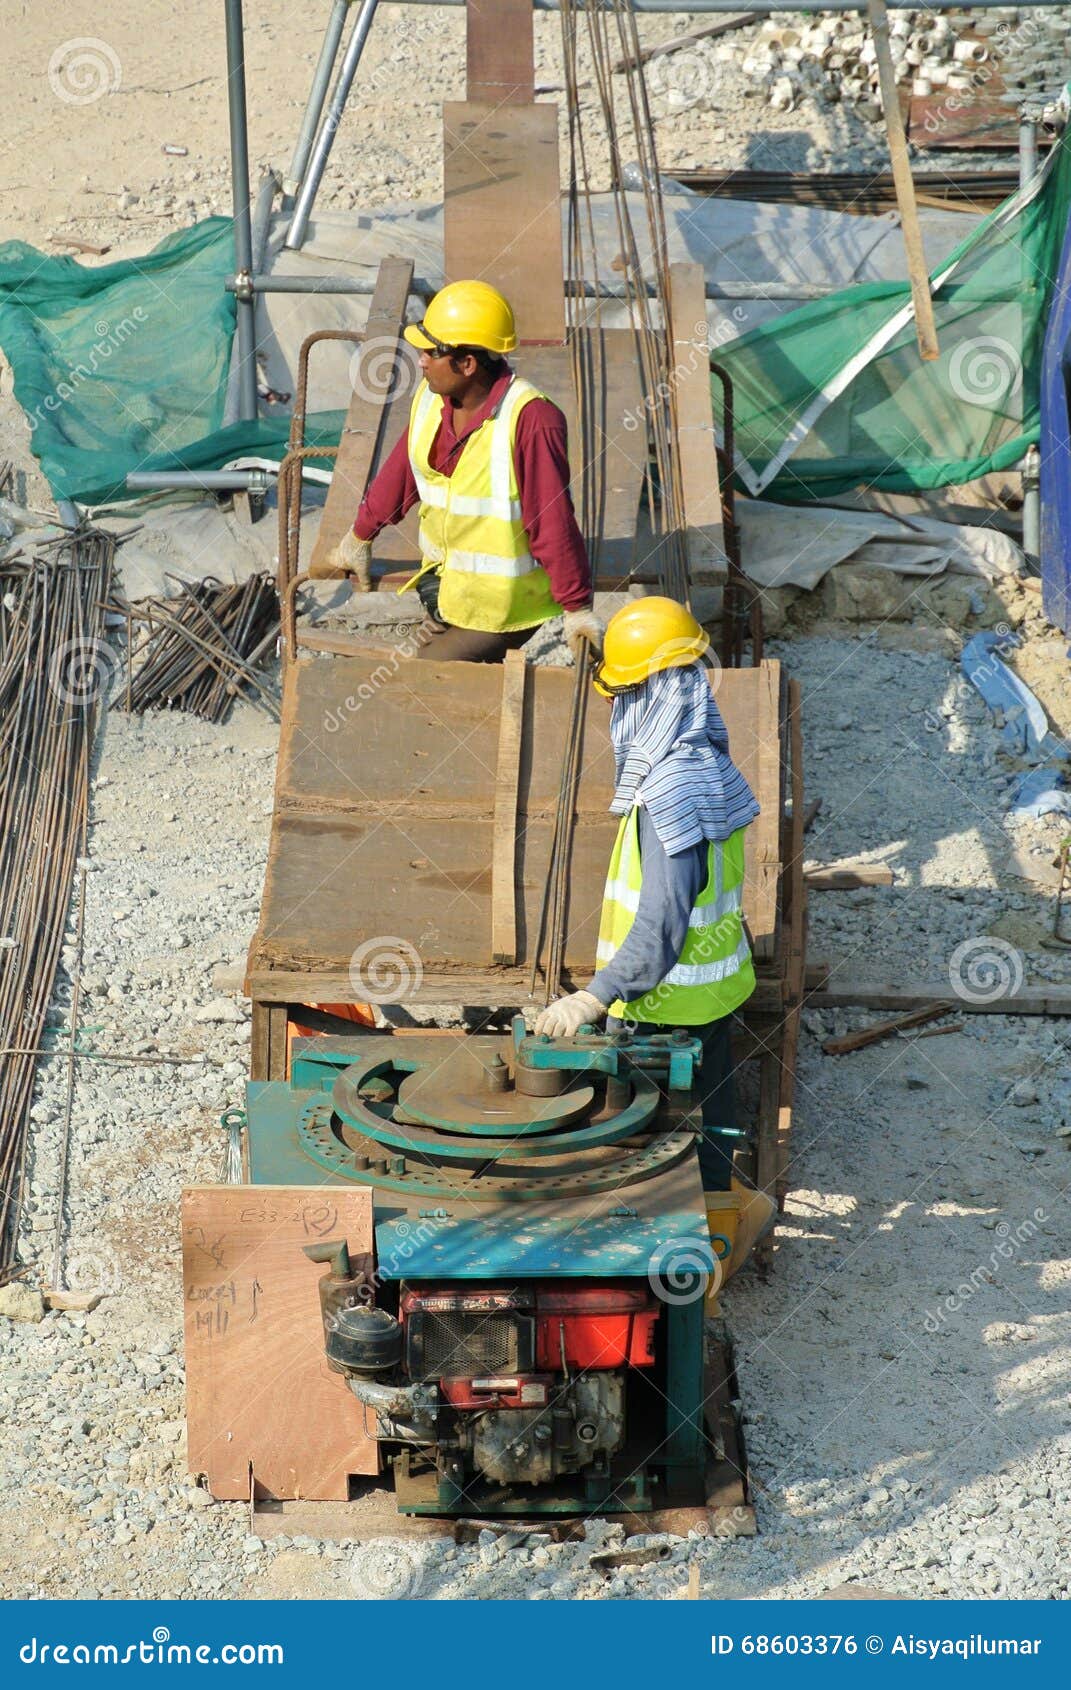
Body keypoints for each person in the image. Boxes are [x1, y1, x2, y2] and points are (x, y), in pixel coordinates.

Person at [534, 596, 774, 1275]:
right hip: (714, 992)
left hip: (663, 1005)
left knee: (650, 1147)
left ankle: (690, 1272)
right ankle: (721, 1227)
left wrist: (593, 997)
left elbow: (664, 922)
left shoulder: (670, 786)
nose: (617, 710)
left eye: (624, 693)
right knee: (715, 1128)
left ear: (650, 694)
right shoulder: (710, 766)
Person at [311, 279, 602, 664]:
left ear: (467, 364)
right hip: (451, 593)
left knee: (426, 678)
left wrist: (577, 607)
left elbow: (552, 520)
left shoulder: (531, 419)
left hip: (504, 608)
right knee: (418, 673)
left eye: (432, 352)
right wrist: (360, 536)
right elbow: (402, 473)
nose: (421, 360)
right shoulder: (432, 401)